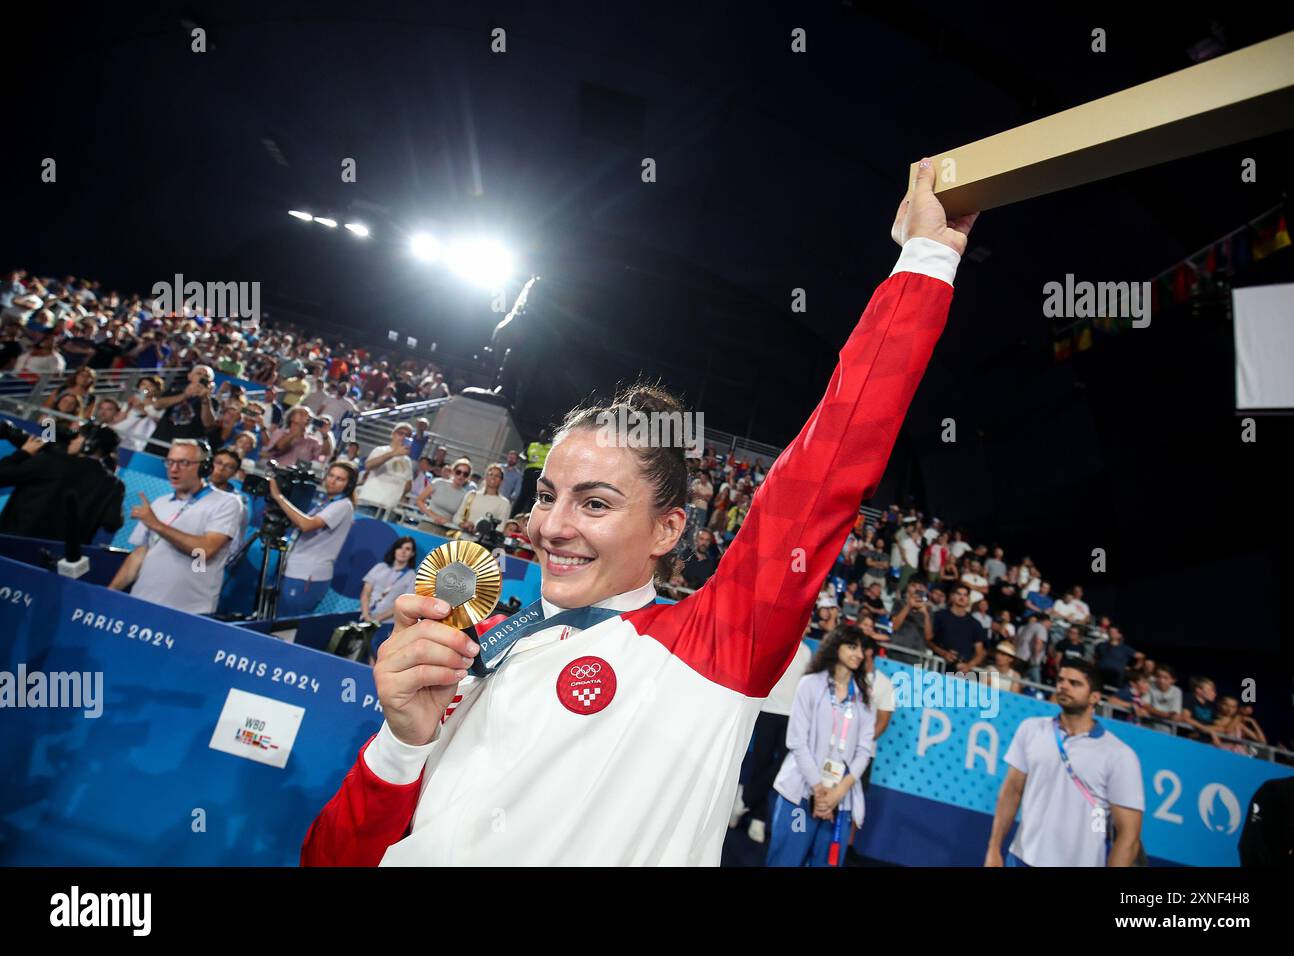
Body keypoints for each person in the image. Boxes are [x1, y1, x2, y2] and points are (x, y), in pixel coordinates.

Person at [299, 155, 976, 866]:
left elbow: (831, 460)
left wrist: (925, 259)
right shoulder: (468, 652)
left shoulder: (716, 647)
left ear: (667, 529)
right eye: (548, 495)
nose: (553, 526)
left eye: (595, 502)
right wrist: (401, 743)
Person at [985, 660, 1144, 867]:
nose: (1064, 686)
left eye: (1075, 683)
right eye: (1061, 680)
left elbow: (1128, 836)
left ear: (1095, 697)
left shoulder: (1119, 755)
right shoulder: (1030, 729)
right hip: (1021, 859)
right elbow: (1011, 792)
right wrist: (994, 848)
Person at [767, 625, 877, 866]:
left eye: (862, 649)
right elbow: (797, 741)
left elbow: (864, 751)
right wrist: (819, 790)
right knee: (785, 860)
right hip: (800, 796)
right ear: (836, 647)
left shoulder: (865, 697)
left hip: (840, 802)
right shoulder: (810, 685)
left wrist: (837, 793)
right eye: (852, 646)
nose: (859, 654)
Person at [108, 439, 243, 614]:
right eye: (170, 462)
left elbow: (204, 551)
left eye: (184, 463)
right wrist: (110, 593)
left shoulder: (227, 503)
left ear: (204, 467)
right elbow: (139, 554)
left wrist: (157, 525)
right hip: (141, 601)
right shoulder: (159, 503)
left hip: (188, 611)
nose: (174, 469)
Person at [734, 637, 814, 842]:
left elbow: (806, 687)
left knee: (781, 765)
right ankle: (758, 819)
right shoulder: (775, 641)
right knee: (761, 762)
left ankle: (745, 798)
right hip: (767, 710)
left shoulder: (805, 652)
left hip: (792, 716)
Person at [0, 422, 125, 545]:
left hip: (14, 542)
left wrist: (23, 453)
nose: (72, 440)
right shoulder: (114, 484)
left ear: (90, 444)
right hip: (60, 553)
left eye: (77, 437)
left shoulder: (53, 461)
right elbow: (112, 523)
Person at [268, 461, 359, 616]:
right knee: (277, 617)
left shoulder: (343, 505)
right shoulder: (326, 503)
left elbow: (307, 525)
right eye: (331, 475)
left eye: (339, 479)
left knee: (287, 623)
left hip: (308, 574)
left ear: (349, 485)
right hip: (297, 569)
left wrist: (279, 497)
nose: (332, 481)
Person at [363, 536, 421, 662]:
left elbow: (403, 604)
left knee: (374, 657)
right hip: (365, 618)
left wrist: (378, 619)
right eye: (400, 547)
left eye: (407, 549)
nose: (403, 551)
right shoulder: (380, 567)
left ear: (412, 554)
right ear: (395, 549)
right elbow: (366, 592)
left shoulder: (412, 576)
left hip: (386, 624)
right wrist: (366, 615)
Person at [356, 424, 414, 517]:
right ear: (393, 435)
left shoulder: (407, 461)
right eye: (400, 433)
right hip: (370, 503)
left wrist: (400, 496)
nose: (403, 437)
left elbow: (408, 484)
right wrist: (393, 454)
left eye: (407, 435)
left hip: (389, 508)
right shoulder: (381, 450)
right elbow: (368, 465)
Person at [414, 456, 475, 531]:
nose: (461, 476)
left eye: (465, 474)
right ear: (453, 472)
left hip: (447, 530)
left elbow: (460, 517)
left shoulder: (465, 495)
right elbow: (419, 500)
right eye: (458, 472)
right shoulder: (438, 482)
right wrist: (433, 516)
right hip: (428, 523)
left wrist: (449, 522)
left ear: (468, 477)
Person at [452, 463, 512, 538]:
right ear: (486, 477)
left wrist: (481, 530)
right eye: (491, 474)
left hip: (484, 542)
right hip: (462, 537)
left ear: (501, 481)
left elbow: (500, 528)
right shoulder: (472, 495)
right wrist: (463, 524)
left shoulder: (504, 503)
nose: (493, 477)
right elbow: (457, 516)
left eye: (497, 476)